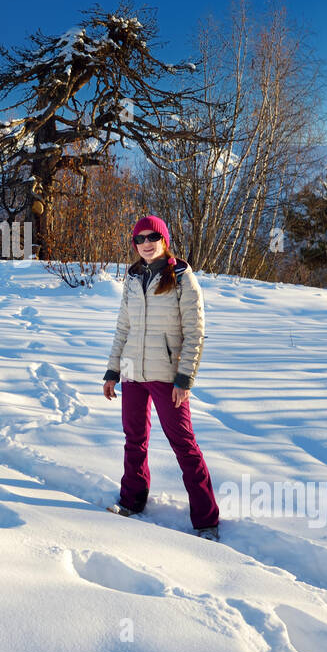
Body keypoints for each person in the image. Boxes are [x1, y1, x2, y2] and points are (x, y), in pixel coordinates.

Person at [102, 215, 220, 541]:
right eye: (139, 239)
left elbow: (195, 333)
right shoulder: (133, 277)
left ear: (164, 239)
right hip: (131, 372)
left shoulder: (182, 278)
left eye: (152, 236)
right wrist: (113, 372)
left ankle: (206, 519)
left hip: (168, 375)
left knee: (184, 444)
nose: (146, 243)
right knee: (134, 440)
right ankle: (131, 501)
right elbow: (123, 329)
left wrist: (185, 379)